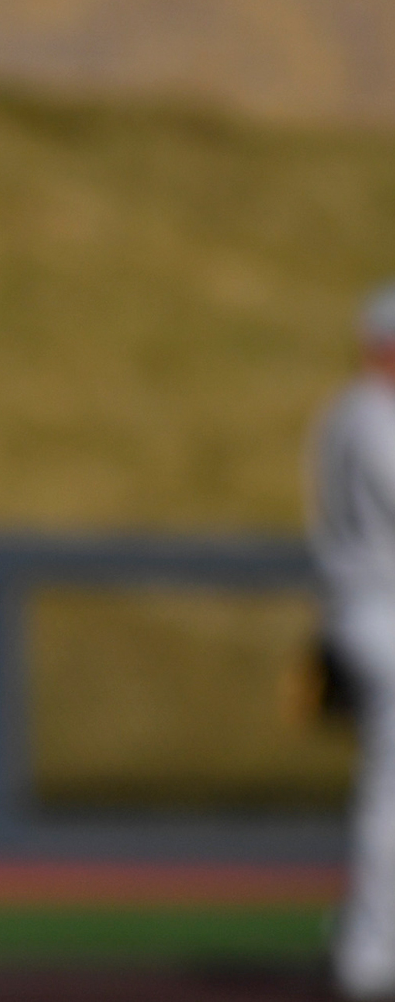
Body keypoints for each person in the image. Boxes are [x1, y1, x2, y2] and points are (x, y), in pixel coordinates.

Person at [310, 280, 395, 1001]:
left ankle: (365, 936)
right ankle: (367, 948)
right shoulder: (372, 416)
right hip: (382, 612)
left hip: (355, 610)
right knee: (388, 793)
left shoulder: (341, 412)